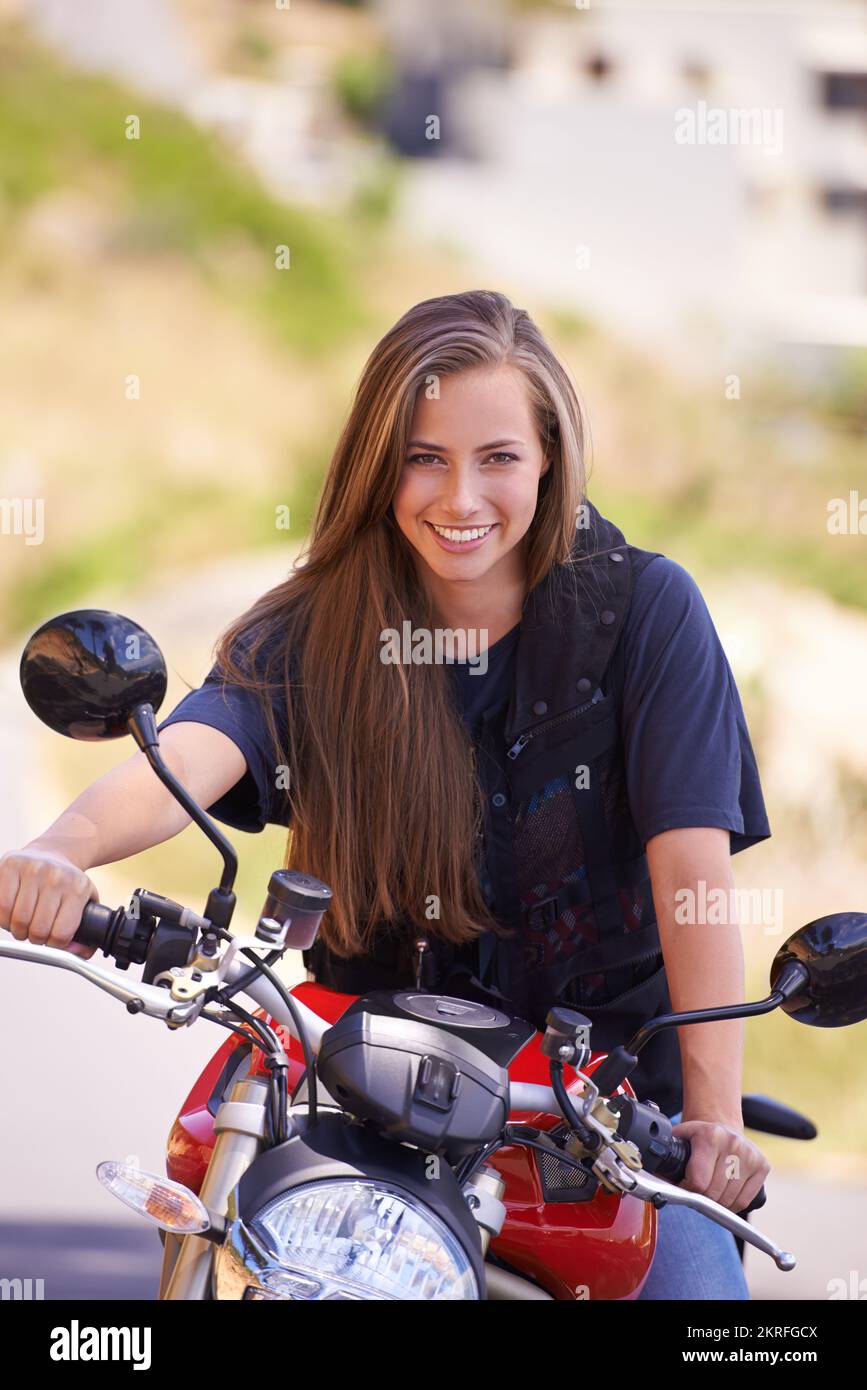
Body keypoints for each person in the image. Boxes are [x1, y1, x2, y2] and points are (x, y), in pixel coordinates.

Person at [0, 289, 770, 1299]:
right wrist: (61, 849)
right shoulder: (322, 627)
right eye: (424, 457)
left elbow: (693, 878)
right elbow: (191, 750)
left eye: (498, 457)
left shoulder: (644, 615)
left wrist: (713, 1118)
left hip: (601, 1122)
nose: (461, 497)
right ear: (380, 463)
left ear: (549, 459)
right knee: (221, 1233)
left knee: (699, 1299)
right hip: (357, 1088)